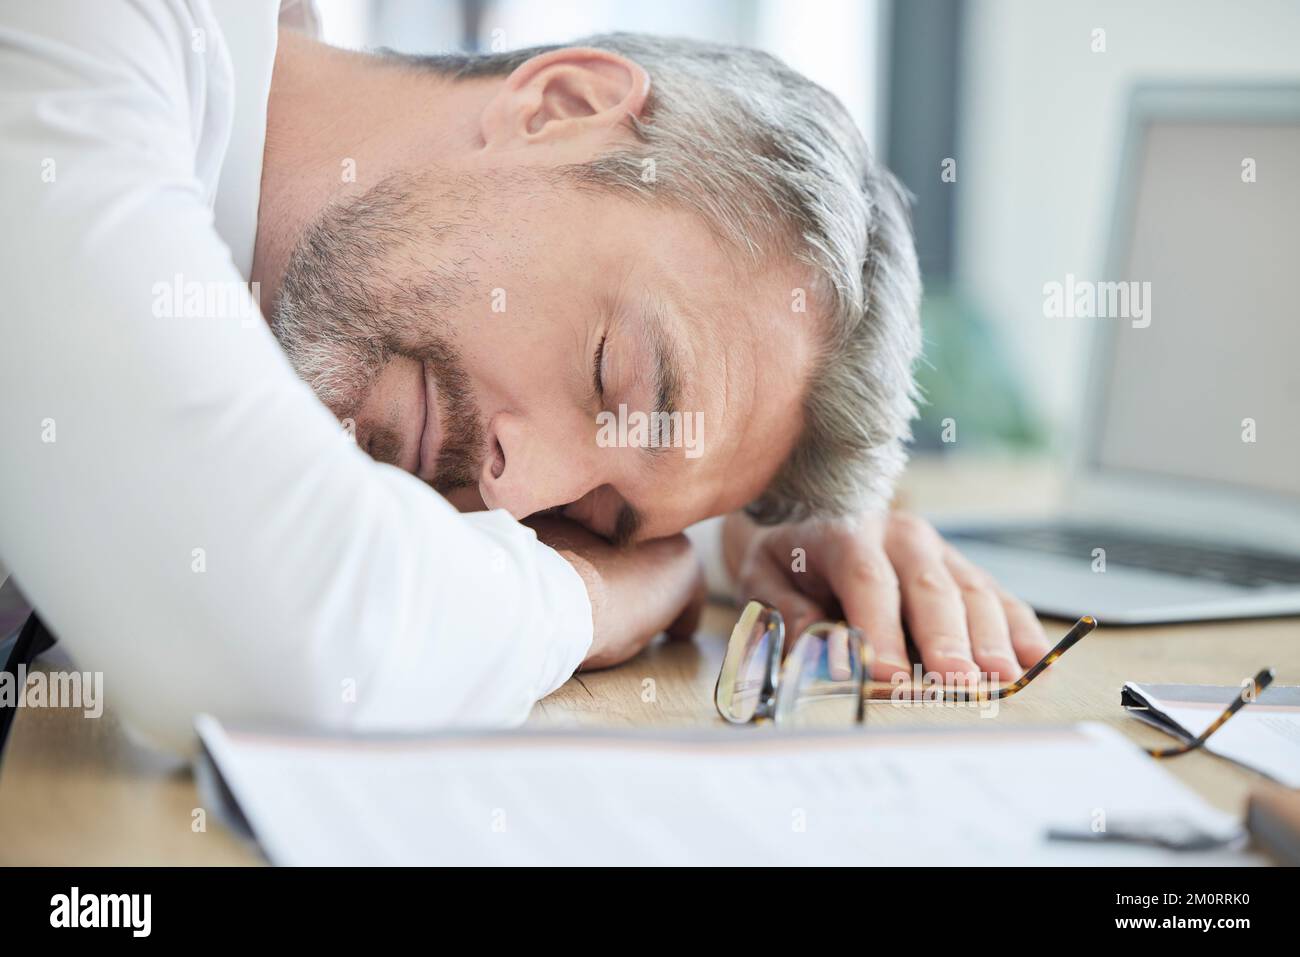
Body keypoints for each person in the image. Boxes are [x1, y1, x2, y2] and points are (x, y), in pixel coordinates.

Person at [0, 1, 1047, 753]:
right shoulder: (102, 34)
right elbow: (273, 639)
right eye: (614, 377)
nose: (508, 492)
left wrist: (736, 542)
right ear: (559, 107)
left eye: (589, 514)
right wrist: (592, 590)